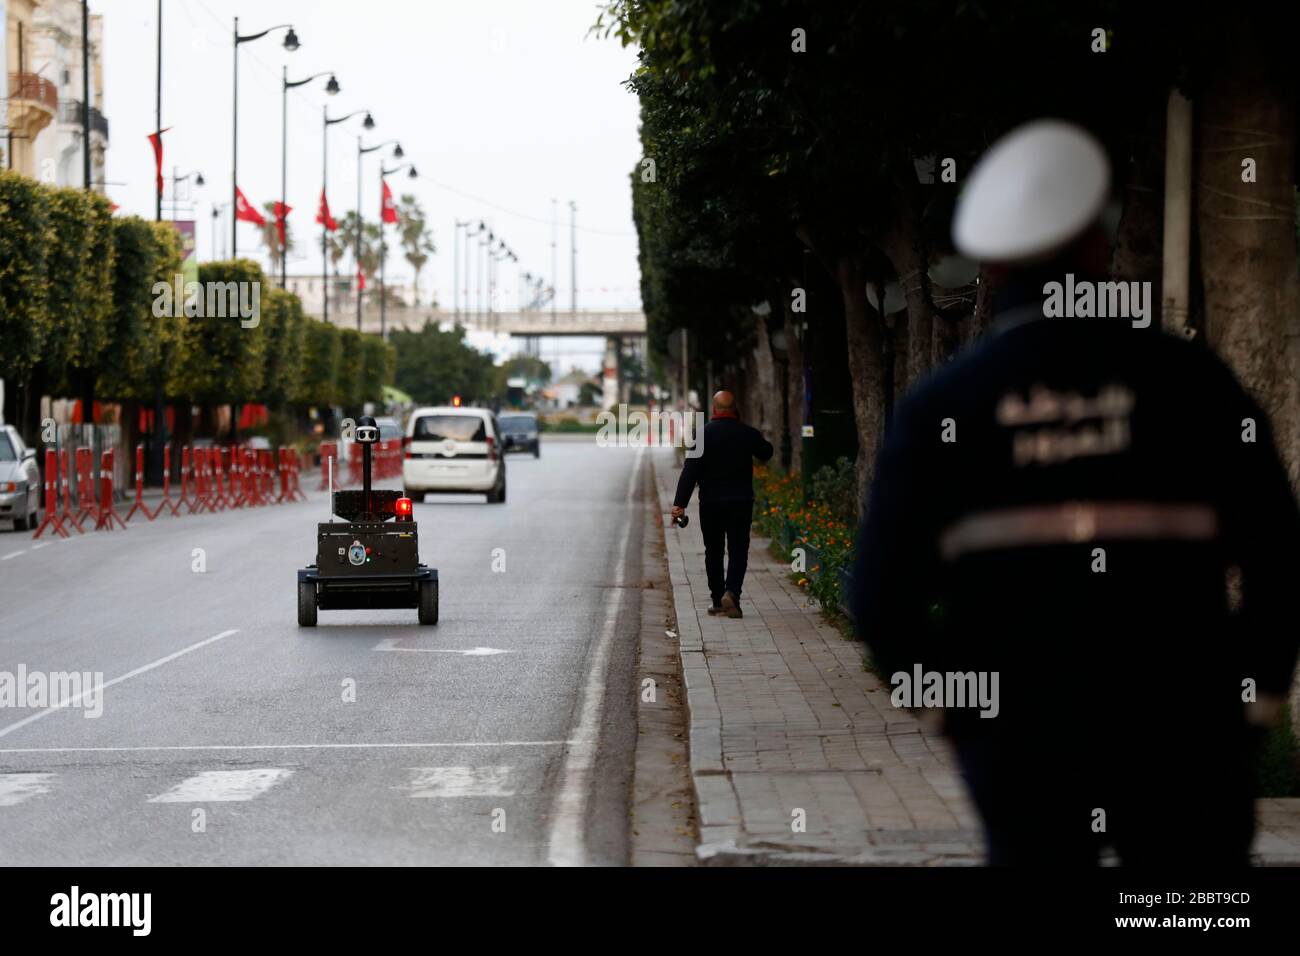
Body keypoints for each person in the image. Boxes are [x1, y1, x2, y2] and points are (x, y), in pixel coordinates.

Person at [852, 119, 1300, 865]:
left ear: (990, 265)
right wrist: (1256, 695)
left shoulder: (945, 408)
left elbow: (878, 594)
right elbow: (1278, 550)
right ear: (1100, 238)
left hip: (1023, 744)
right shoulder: (1190, 382)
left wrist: (955, 707)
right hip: (1185, 731)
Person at [672, 390, 774, 618]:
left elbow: (690, 472)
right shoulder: (746, 433)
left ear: (714, 409)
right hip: (741, 502)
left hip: (711, 503)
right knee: (738, 550)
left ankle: (718, 600)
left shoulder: (701, 435)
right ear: (735, 409)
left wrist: (679, 504)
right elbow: (767, 452)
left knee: (713, 551)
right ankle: (732, 593)